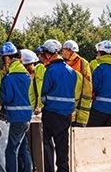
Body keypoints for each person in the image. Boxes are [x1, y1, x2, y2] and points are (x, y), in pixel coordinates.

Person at [38, 40, 76, 172]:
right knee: (62, 146)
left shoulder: (50, 71)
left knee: (48, 145)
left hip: (51, 114)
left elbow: (44, 94)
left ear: (49, 54)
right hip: (66, 115)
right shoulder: (72, 71)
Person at [0, 43, 33, 172]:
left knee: (11, 150)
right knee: (23, 148)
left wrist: (0, 94)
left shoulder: (9, 78)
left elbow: (8, 98)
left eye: (3, 58)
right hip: (26, 117)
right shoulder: (26, 76)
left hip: (16, 118)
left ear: (8, 58)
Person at [87, 41, 111, 128]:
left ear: (100, 53)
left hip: (99, 108)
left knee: (92, 136)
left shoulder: (100, 69)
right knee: (110, 138)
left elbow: (93, 88)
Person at [60, 41, 92, 126]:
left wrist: (82, 114)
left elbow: (87, 87)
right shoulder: (61, 62)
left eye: (64, 50)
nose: (62, 52)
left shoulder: (82, 63)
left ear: (70, 50)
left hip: (77, 107)